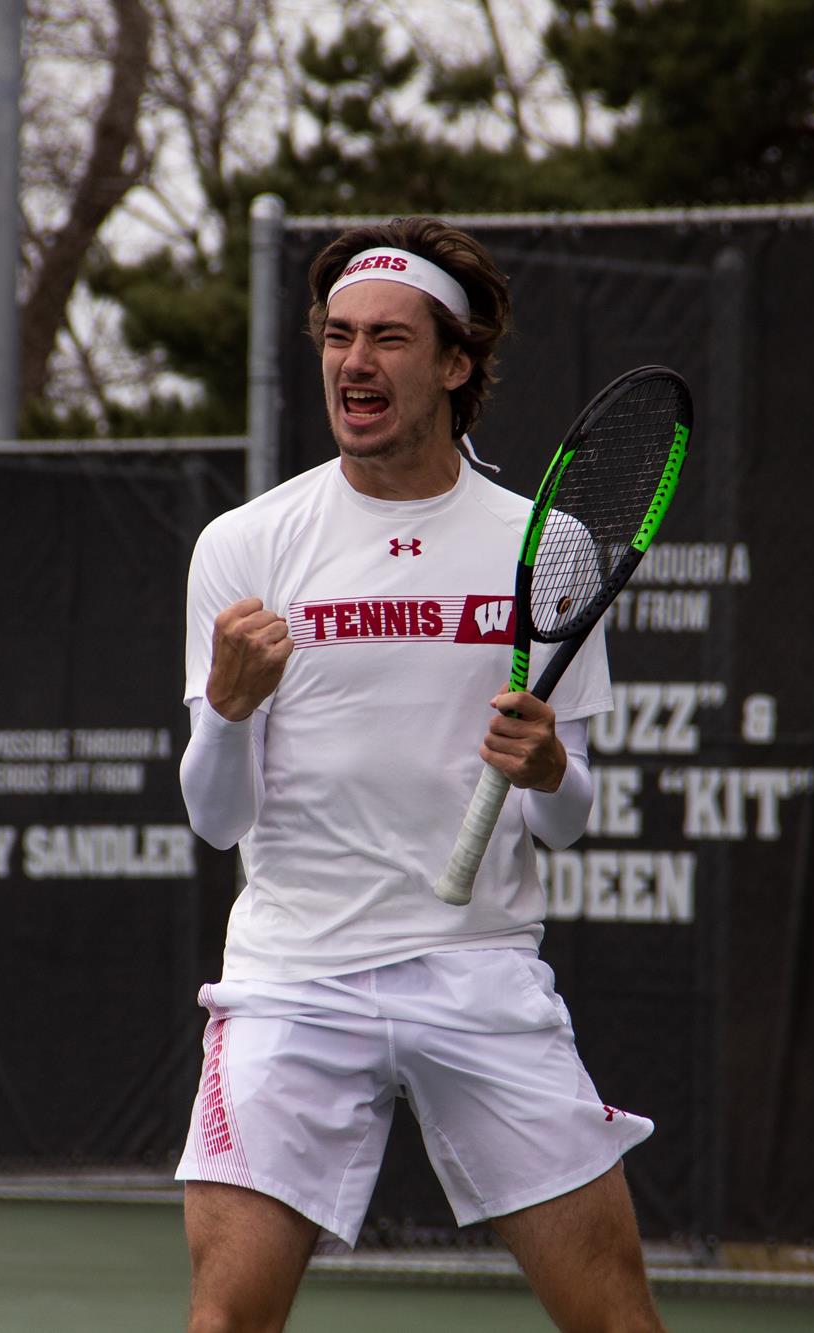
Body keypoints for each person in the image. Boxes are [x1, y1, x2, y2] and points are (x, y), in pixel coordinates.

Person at [175, 216, 665, 1333]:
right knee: (225, 1323)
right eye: (337, 336)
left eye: (389, 339)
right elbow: (214, 822)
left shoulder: (545, 546)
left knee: (616, 1321)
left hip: (477, 973)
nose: (354, 362)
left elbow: (567, 823)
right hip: (292, 980)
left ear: (454, 363)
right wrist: (228, 716)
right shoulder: (244, 543)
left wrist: (547, 766)